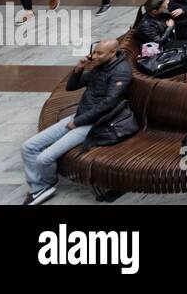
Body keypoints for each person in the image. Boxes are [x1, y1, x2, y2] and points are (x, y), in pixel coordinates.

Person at [20, 38, 132, 205]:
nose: (94, 56)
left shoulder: (121, 71)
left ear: (112, 52)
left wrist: (78, 122)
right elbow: (71, 87)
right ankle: (40, 186)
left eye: (99, 53)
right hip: (80, 115)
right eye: (94, 52)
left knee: (43, 159)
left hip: (95, 123)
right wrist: (79, 68)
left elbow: (108, 104)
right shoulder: (99, 66)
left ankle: (45, 184)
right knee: (27, 147)